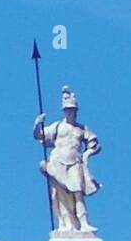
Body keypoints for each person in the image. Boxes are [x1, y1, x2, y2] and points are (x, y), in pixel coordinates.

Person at [33, 85, 100, 232]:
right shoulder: (57, 126)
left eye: (73, 110)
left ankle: (83, 222)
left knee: (77, 191)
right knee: (61, 195)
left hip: (75, 161)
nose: (71, 113)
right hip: (58, 162)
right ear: (64, 112)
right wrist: (37, 123)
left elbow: (94, 143)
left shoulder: (81, 129)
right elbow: (40, 136)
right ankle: (66, 223)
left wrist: (87, 154)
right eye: (68, 110)